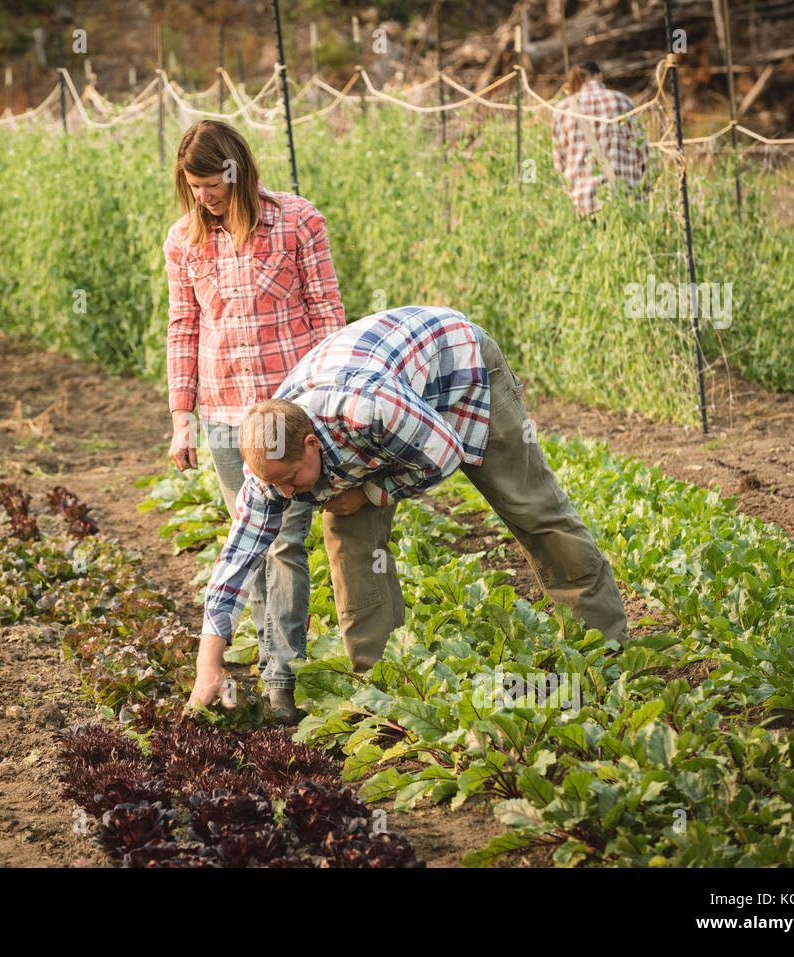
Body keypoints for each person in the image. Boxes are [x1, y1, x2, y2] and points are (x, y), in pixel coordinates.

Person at [187, 305, 631, 712]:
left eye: (289, 481)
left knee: (531, 507)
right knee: (350, 541)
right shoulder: (270, 469)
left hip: (461, 371)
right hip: (387, 394)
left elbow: (443, 453)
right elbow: (238, 560)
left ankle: (603, 647)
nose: (283, 494)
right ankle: (385, 682)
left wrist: (368, 494)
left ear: (309, 445)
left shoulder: (370, 411)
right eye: (273, 484)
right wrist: (209, 662)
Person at [163, 119, 346, 723]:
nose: (202, 198)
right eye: (192, 187)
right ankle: (270, 660)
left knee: (286, 542)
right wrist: (180, 419)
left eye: (210, 185)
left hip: (285, 414)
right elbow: (183, 328)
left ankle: (280, 681)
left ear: (236, 171)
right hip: (222, 413)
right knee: (251, 541)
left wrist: (330, 400)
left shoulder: (296, 221)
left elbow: (327, 312)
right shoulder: (184, 240)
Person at [551, 61, 650, 216]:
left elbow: (559, 161)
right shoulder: (623, 101)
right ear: (600, 76)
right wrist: (646, 190)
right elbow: (643, 152)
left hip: (581, 202)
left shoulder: (564, 108)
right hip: (624, 200)